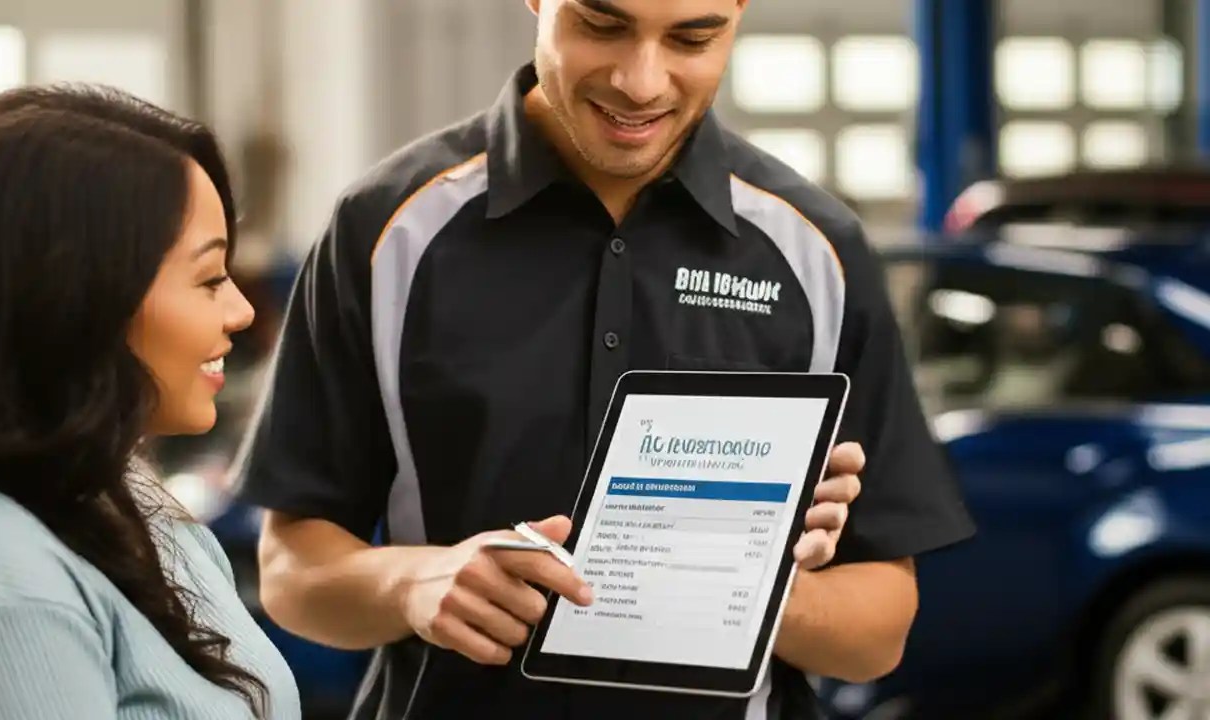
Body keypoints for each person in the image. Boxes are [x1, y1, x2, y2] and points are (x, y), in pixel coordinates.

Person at [234, 0, 975, 718]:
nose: (640, 82)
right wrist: (410, 582)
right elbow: (291, 572)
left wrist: (727, 585)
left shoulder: (817, 252)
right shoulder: (387, 228)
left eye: (691, 39)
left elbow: (878, 634)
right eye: (601, 24)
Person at [0, 85, 301, 720]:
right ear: (79, 299)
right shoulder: (5, 585)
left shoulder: (130, 502)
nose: (241, 311)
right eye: (210, 279)